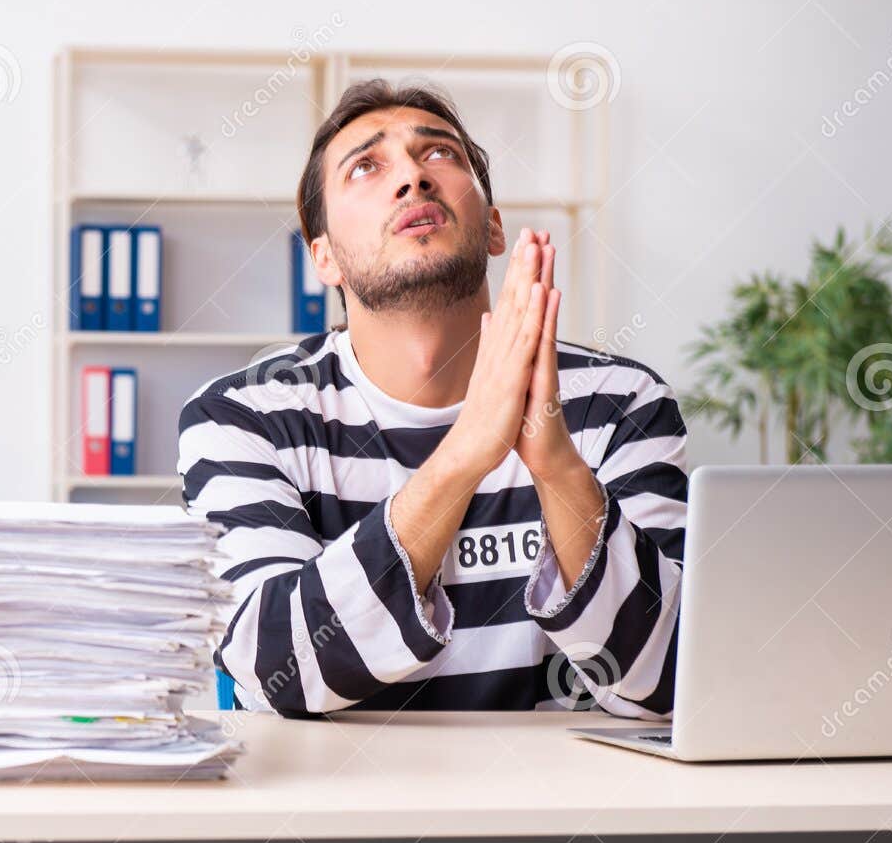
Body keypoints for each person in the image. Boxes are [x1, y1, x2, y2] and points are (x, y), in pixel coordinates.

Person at [177, 79, 685, 717]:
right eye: (366, 166)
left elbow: (670, 682)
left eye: (439, 155)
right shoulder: (241, 418)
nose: (413, 178)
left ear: (494, 228)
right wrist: (467, 450)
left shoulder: (620, 401)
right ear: (325, 258)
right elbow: (278, 675)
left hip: (564, 812)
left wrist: (556, 466)